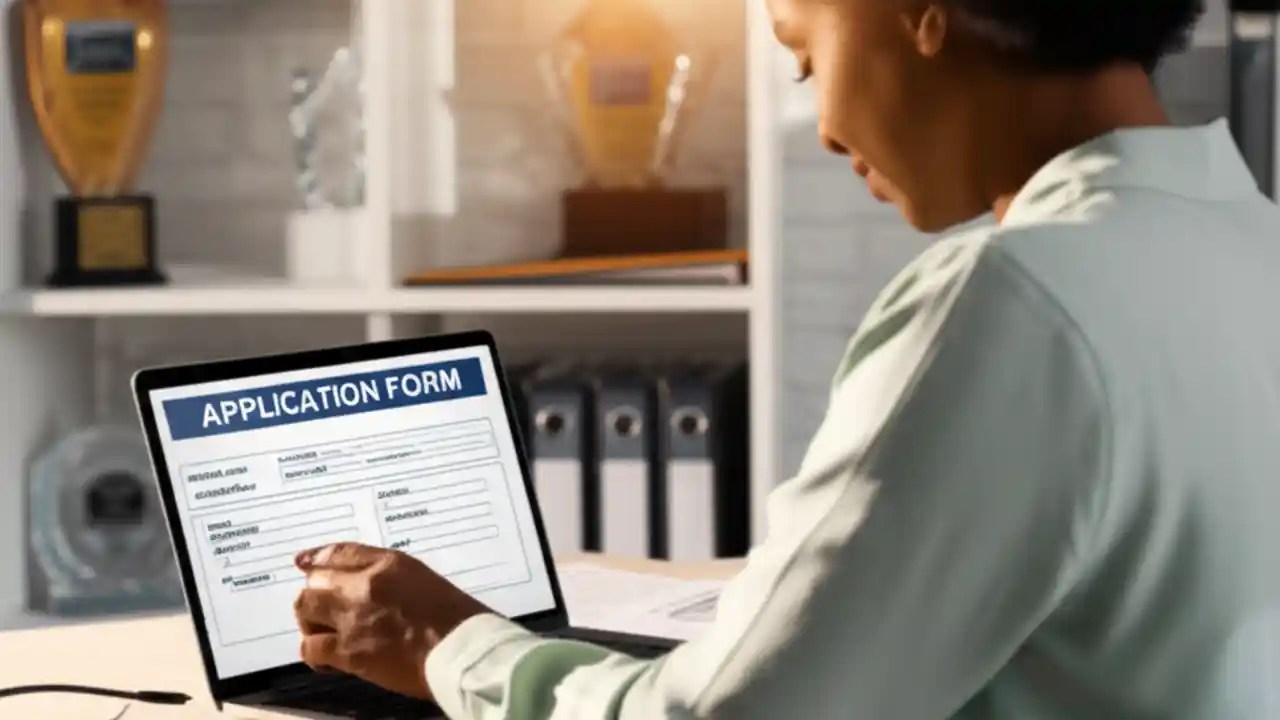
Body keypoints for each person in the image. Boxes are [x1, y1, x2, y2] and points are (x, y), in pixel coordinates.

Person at [291, 0, 1280, 717]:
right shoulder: (1247, 244)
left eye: (805, 58)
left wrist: (444, 646)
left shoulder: (1010, 299)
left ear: (918, 16)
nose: (823, 125)